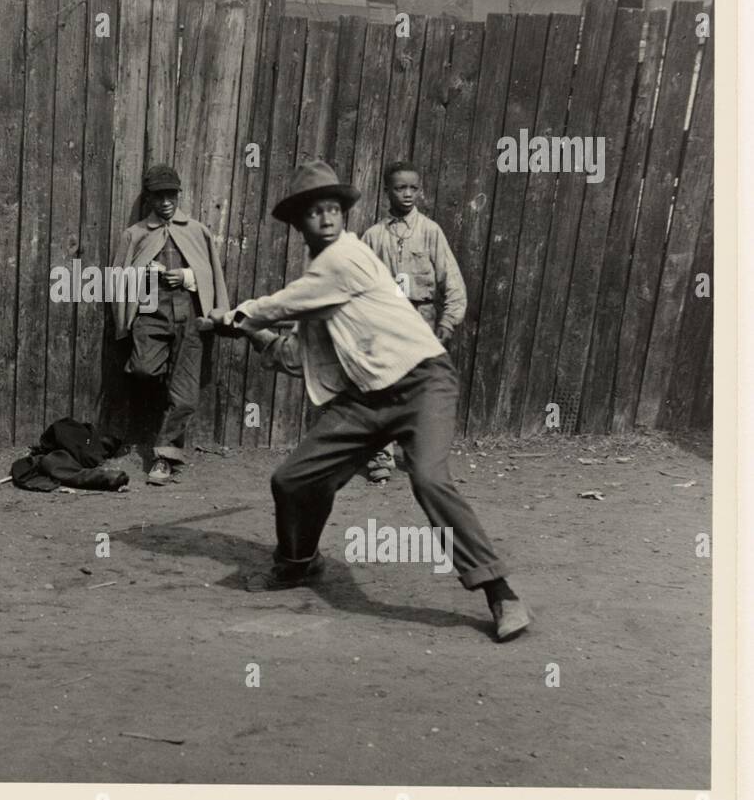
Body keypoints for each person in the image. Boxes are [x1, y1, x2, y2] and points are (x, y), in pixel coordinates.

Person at [214, 159, 530, 642]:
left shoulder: (345, 257)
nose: (326, 218)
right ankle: (299, 563)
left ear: (344, 215)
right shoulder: (321, 280)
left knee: (427, 479)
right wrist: (248, 334)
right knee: (293, 478)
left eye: (333, 209)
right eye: (314, 211)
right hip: (366, 398)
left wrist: (233, 318)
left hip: (423, 383)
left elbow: (279, 305)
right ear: (299, 222)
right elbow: (300, 352)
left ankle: (501, 593)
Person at [109, 163, 228, 485]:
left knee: (186, 396)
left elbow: (211, 275)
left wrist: (189, 277)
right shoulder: (134, 235)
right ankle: (162, 394)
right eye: (158, 196)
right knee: (146, 369)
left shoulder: (196, 230)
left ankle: (164, 457)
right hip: (150, 314)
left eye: (170, 195)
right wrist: (147, 273)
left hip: (189, 314)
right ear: (149, 198)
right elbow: (119, 279)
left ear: (179, 195)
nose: (165, 202)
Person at [360, 161, 467, 483]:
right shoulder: (373, 236)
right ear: (386, 191)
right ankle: (381, 456)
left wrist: (446, 325)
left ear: (419, 190)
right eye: (399, 188)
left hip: (422, 320)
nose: (407, 194)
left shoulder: (431, 232)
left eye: (412, 188)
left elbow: (454, 285)